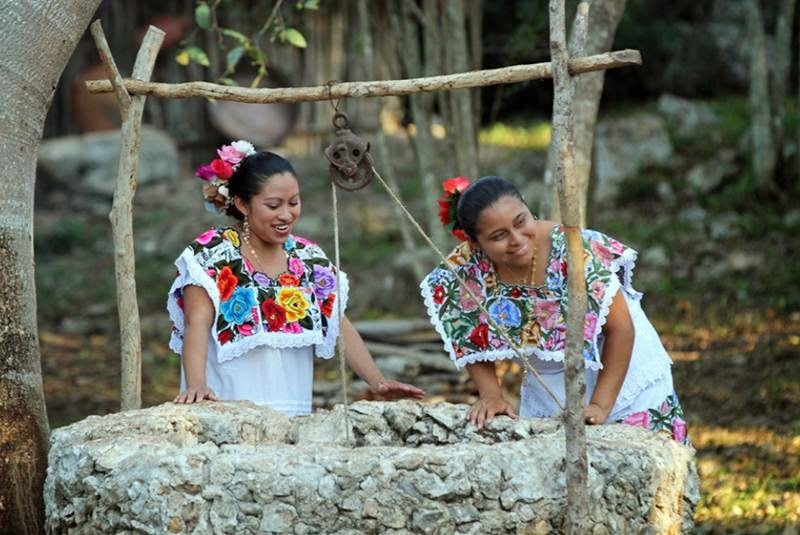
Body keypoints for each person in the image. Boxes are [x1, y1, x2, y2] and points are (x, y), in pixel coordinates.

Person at [420, 176, 688, 444]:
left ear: (529, 209)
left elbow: (621, 329)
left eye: (521, 221)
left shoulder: (573, 249)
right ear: (475, 243)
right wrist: (491, 394)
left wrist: (600, 406)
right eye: (498, 236)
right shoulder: (466, 271)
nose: (516, 239)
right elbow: (468, 331)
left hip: (623, 369)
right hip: (549, 382)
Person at [167, 140, 424, 415]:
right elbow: (196, 321)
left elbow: (337, 322)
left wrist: (377, 381)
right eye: (273, 205)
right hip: (226, 403)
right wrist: (196, 386)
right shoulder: (212, 254)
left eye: (294, 202)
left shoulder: (308, 258)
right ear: (242, 204)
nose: (286, 215)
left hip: (291, 404)